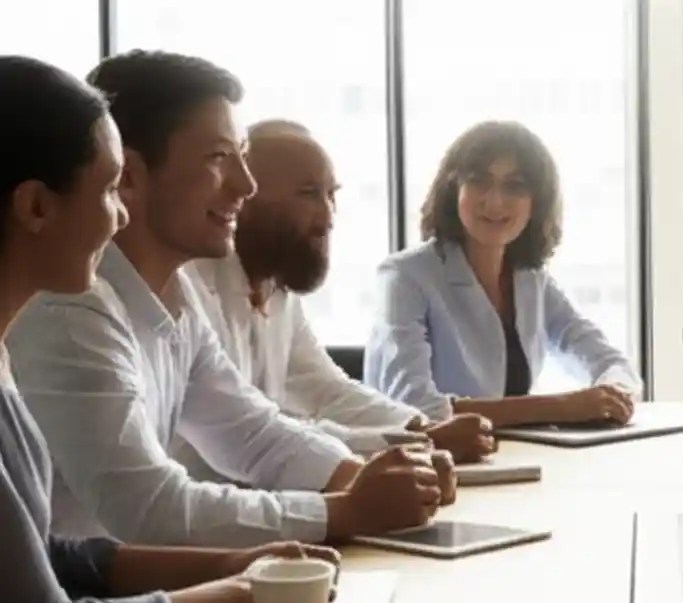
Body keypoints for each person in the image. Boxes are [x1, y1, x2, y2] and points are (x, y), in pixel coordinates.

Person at [0, 54, 344, 603]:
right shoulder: (64, 322)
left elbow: (44, 556)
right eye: (107, 192)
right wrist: (247, 589)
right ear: (37, 206)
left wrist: (222, 568)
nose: (120, 217)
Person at [7, 50, 451, 548]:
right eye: (220, 158)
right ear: (128, 176)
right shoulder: (70, 309)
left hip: (139, 595)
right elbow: (150, 510)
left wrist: (373, 478)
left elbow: (252, 432)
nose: (247, 184)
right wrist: (345, 509)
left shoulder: (178, 296)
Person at [181, 119, 494, 467]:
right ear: (245, 199)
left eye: (331, 195)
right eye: (309, 194)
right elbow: (254, 433)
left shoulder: (276, 287)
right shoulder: (192, 290)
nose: (328, 216)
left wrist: (420, 425)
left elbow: (328, 391)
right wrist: (418, 441)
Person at [365, 120, 642, 427]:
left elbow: (613, 364)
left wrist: (611, 396)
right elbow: (413, 407)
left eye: (515, 186)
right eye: (479, 181)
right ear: (453, 188)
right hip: (431, 464)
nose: (495, 201)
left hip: (512, 458)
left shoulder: (531, 280)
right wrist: (562, 406)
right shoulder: (405, 276)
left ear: (537, 203)